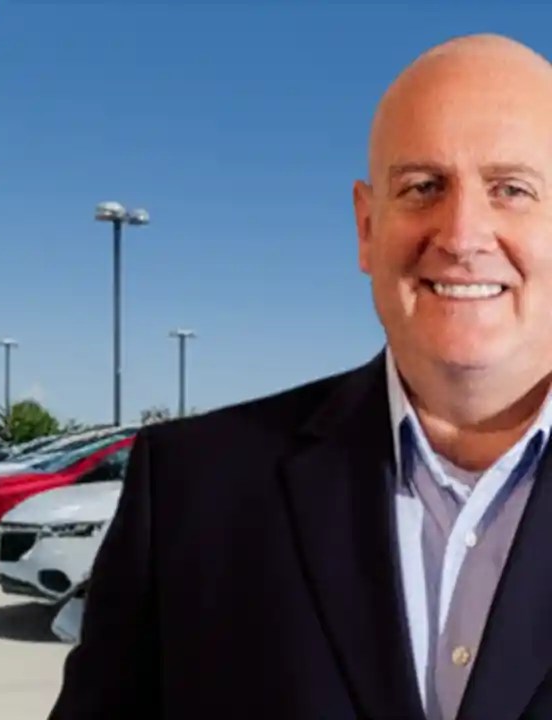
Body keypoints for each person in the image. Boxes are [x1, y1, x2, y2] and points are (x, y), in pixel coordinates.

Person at [49, 34, 552, 720]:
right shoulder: (190, 493)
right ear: (367, 227)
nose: (462, 235)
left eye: (512, 190)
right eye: (423, 187)